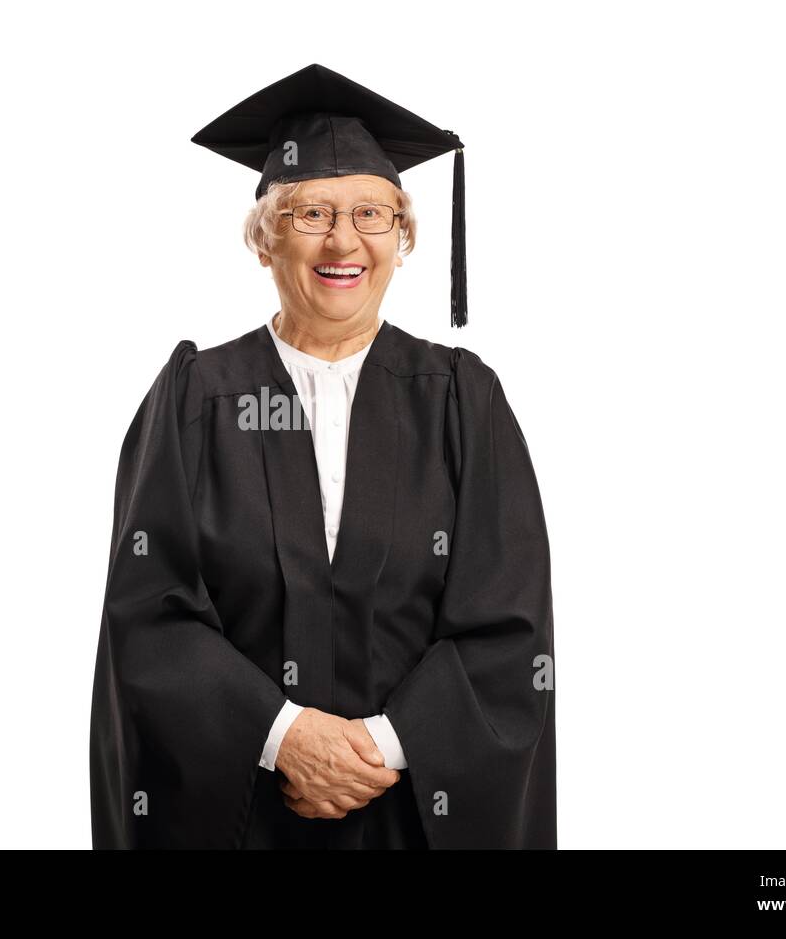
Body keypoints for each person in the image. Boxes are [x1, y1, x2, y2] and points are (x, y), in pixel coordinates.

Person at [89, 64, 556, 848]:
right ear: (266, 236)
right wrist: (282, 736)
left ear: (402, 240)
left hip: (409, 815)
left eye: (372, 213)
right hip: (244, 819)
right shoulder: (195, 399)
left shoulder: (459, 401)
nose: (345, 240)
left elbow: (509, 625)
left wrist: (382, 746)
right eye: (312, 212)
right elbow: (149, 614)